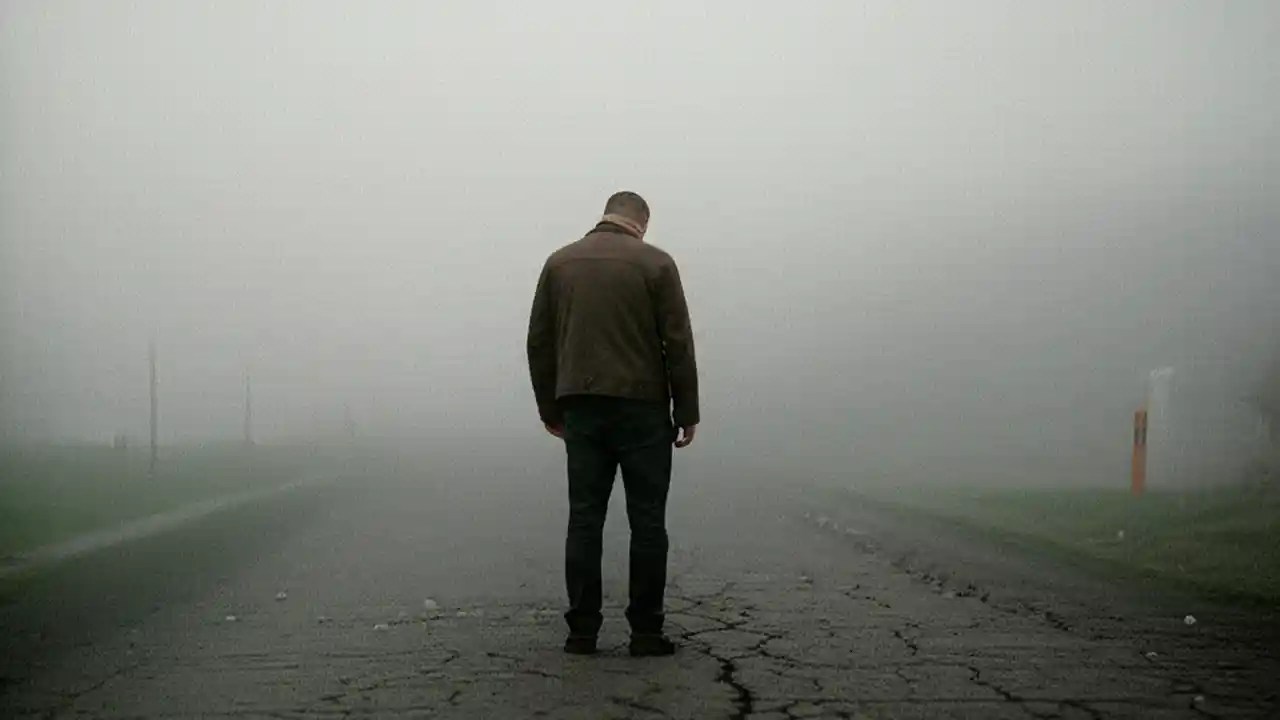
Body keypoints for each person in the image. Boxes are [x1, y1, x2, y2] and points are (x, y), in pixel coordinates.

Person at [526, 191, 700, 657]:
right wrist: (686, 412)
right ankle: (646, 632)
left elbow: (538, 342)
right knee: (647, 523)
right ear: (641, 222)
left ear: (605, 215)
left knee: (584, 519)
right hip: (642, 409)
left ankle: (581, 632)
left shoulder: (559, 264)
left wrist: (551, 408)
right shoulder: (656, 264)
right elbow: (677, 342)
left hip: (581, 407)